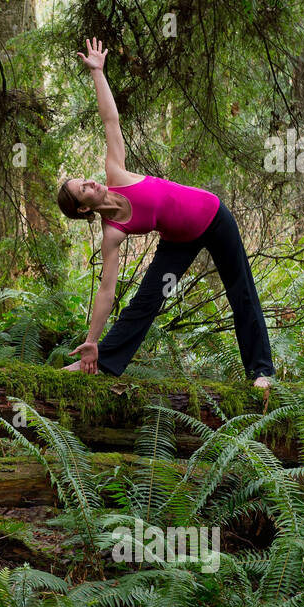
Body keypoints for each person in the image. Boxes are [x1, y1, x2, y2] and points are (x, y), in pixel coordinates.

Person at [56, 38, 274, 388]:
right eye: (84, 189)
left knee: (240, 290)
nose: (91, 183)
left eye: (85, 180)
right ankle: (103, 361)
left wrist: (98, 72)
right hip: (179, 240)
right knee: (144, 302)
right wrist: (92, 339)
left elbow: (110, 120)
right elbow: (106, 292)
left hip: (214, 216)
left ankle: (261, 371)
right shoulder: (112, 232)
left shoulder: (116, 173)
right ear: (83, 207)